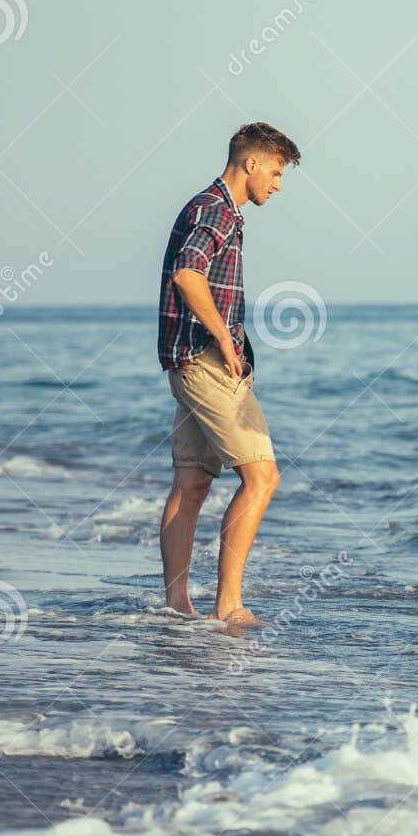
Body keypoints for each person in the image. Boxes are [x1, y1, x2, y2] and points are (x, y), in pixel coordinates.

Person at [156, 122, 300, 625]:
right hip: (204, 363)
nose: (278, 185)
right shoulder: (216, 210)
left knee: (192, 484)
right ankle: (229, 607)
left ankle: (177, 607)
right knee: (263, 477)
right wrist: (221, 337)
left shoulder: (218, 210)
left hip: (190, 361)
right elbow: (187, 273)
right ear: (252, 163)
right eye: (277, 172)